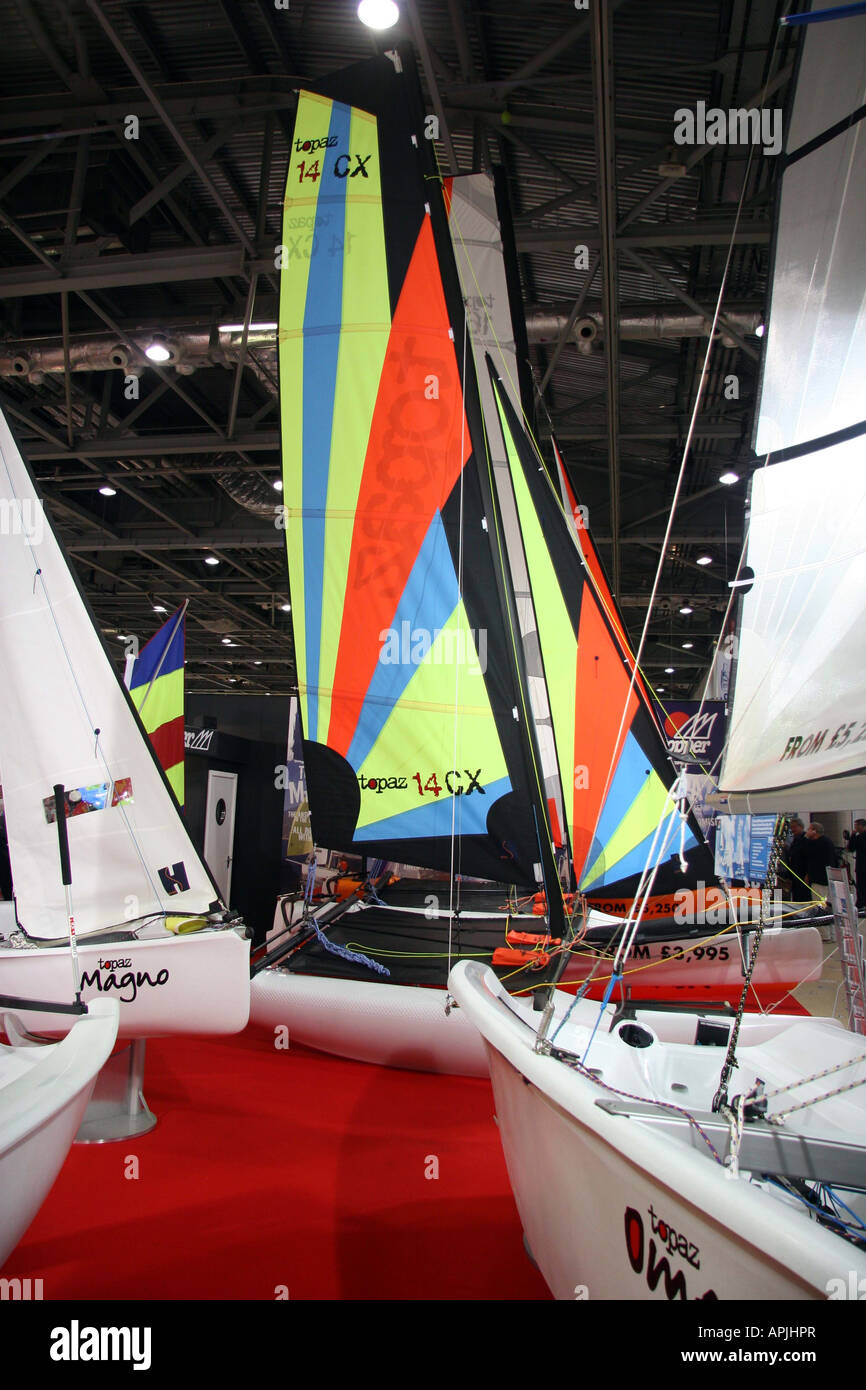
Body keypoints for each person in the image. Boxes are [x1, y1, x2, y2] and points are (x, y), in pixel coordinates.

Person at [780, 818, 809, 901]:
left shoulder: (806, 839)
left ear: (800, 827)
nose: (792, 830)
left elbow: (807, 857)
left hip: (802, 874)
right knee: (795, 896)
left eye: (794, 827)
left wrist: (808, 874)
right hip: (794, 874)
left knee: (803, 897)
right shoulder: (795, 839)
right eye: (791, 828)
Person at [850, 818, 866, 911]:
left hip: (861, 866)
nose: (855, 827)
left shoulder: (859, 837)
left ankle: (861, 903)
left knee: (861, 885)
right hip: (862, 865)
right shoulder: (860, 836)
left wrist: (852, 835)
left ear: (861, 826)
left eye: (856, 825)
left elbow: (851, 848)